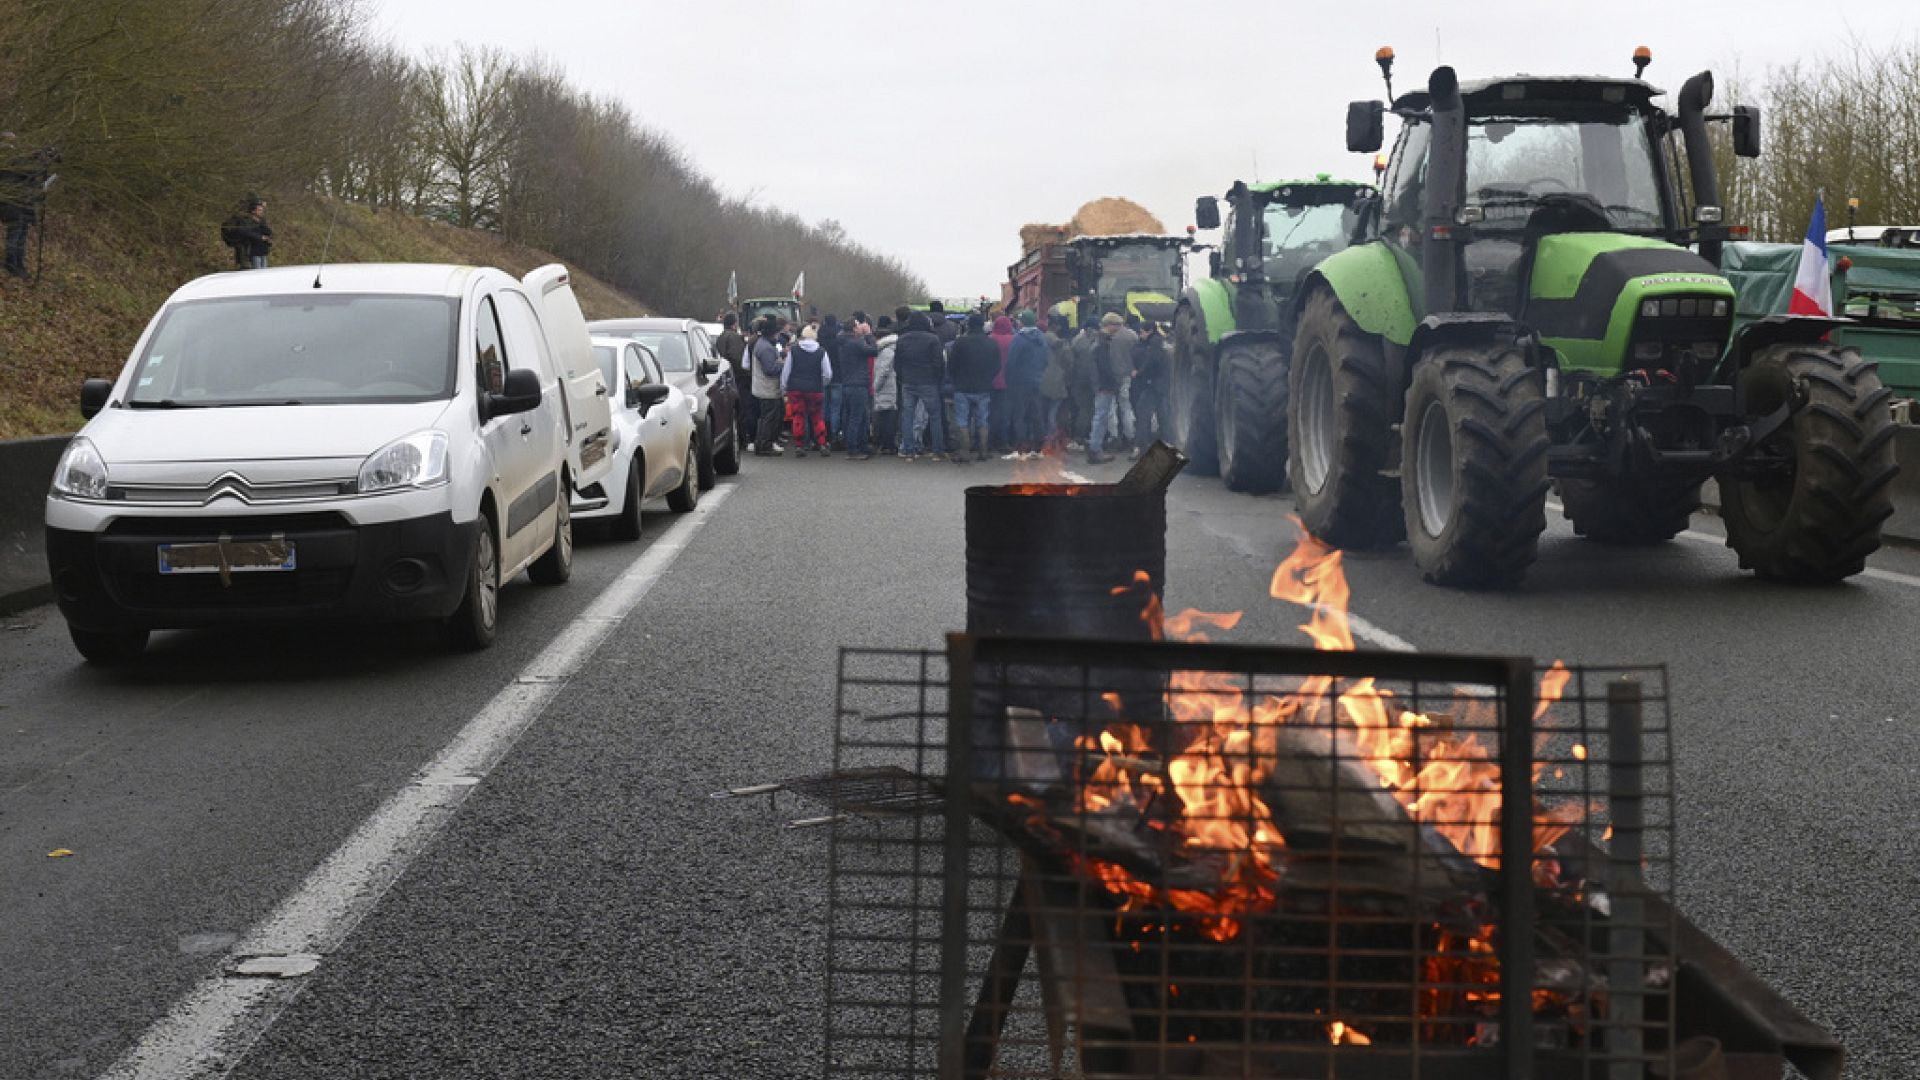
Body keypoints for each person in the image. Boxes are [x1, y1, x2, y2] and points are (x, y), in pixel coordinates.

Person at [893, 313, 947, 460]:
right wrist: (937, 379)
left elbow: (896, 363)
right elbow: (938, 363)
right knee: (935, 416)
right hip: (928, 382)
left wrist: (902, 378)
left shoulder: (902, 339)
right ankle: (937, 451)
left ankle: (908, 451)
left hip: (908, 382)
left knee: (907, 417)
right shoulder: (933, 339)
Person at [0, 139, 56, 279]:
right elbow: (27, 171)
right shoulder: (10, 159)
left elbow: (29, 183)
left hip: (22, 204)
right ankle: (12, 263)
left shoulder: (19, 160)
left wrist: (41, 190)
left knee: (21, 235)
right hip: (12, 204)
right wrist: (40, 160)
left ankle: (18, 263)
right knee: (15, 235)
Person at [948, 313, 999, 463]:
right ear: (983, 325)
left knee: (962, 420)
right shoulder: (991, 343)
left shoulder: (960, 342)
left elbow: (951, 366)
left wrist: (955, 379)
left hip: (962, 387)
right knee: (983, 420)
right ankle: (983, 451)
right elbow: (997, 366)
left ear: (968, 325)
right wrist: (988, 379)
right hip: (983, 387)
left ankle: (964, 452)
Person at [1088, 313, 1136, 465]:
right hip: (1105, 385)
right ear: (1110, 325)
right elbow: (1105, 367)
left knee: (1102, 416)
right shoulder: (1103, 343)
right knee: (1101, 417)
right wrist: (1113, 381)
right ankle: (1095, 450)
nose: (1119, 329)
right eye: (1117, 325)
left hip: (1101, 384)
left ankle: (1096, 448)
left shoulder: (1099, 341)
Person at [1005, 311, 1050, 458]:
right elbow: (1045, 360)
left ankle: (1021, 449)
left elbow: (1011, 362)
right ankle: (1038, 448)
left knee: (1020, 415)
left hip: (1019, 382)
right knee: (1036, 414)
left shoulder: (1019, 338)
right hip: (1036, 381)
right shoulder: (1042, 338)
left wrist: (1009, 380)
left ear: (1022, 322)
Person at [782, 325, 833, 456]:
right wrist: (821, 384)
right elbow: (827, 373)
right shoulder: (822, 351)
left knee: (798, 417)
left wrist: (784, 387)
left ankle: (799, 445)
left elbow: (786, 371)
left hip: (796, 389)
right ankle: (822, 443)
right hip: (815, 389)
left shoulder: (794, 351)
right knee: (817, 416)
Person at [835, 317, 879, 459]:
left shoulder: (844, 342)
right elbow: (874, 350)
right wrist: (868, 334)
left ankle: (862, 444)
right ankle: (854, 449)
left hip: (849, 383)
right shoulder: (855, 343)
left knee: (859, 417)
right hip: (857, 384)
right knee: (856, 417)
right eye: (858, 325)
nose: (861, 326)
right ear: (854, 328)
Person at [1130, 319, 1172, 457]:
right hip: (1164, 384)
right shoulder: (1162, 342)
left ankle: (1140, 447)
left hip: (1154, 384)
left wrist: (1139, 373)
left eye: (1142, 332)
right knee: (1163, 415)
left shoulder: (1154, 344)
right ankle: (1167, 444)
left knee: (1143, 413)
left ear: (1149, 331)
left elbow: (1151, 362)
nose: (1140, 335)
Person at [751, 317, 787, 455]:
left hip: (762, 388)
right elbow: (770, 369)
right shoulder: (766, 348)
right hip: (768, 389)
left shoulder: (762, 344)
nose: (778, 336)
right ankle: (765, 445)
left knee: (766, 417)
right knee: (769, 418)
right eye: (777, 333)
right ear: (772, 333)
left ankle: (761, 443)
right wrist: (783, 365)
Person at [715, 313, 751, 446]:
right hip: (736, 378)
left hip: (724, 377)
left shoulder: (721, 337)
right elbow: (736, 358)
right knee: (741, 409)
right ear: (734, 324)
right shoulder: (734, 338)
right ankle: (742, 439)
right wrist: (745, 372)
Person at [1040, 314, 1073, 452]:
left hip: (1041, 380)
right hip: (1058, 380)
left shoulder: (1040, 339)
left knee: (1044, 411)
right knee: (1054, 412)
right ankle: (1052, 439)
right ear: (1057, 327)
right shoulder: (1062, 344)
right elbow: (1069, 363)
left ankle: (1044, 437)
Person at [871, 316, 901, 456]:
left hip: (886, 387)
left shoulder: (887, 351)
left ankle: (887, 444)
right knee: (887, 415)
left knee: (886, 417)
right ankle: (886, 444)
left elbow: (883, 370)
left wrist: (875, 386)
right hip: (889, 386)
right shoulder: (889, 349)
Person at [221, 197, 274, 270]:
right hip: (248, 253)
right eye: (259, 210)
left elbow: (268, 232)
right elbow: (245, 232)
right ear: (253, 211)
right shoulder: (245, 221)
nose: (261, 212)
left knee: (262, 274)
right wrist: (260, 237)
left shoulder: (261, 221)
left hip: (262, 251)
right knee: (249, 272)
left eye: (262, 210)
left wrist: (268, 237)